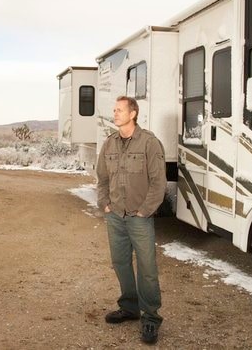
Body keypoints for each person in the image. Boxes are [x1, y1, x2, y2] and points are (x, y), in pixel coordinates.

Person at [96, 96, 167, 345]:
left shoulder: (149, 143)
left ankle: (150, 317)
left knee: (147, 268)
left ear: (133, 113)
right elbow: (102, 178)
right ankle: (129, 307)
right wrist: (104, 202)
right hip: (115, 216)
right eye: (114, 110)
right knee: (120, 263)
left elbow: (159, 183)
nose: (115, 114)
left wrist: (145, 210)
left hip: (139, 218)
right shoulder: (109, 144)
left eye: (120, 110)